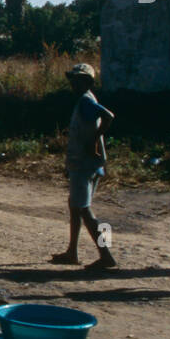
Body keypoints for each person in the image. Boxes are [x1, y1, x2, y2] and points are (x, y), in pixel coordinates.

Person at [50, 62, 117, 270]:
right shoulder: (85, 101)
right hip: (82, 164)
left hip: (85, 165)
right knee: (75, 206)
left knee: (84, 210)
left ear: (87, 81)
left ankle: (105, 255)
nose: (73, 83)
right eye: (73, 79)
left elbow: (109, 116)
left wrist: (93, 140)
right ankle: (72, 251)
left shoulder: (86, 101)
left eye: (77, 79)